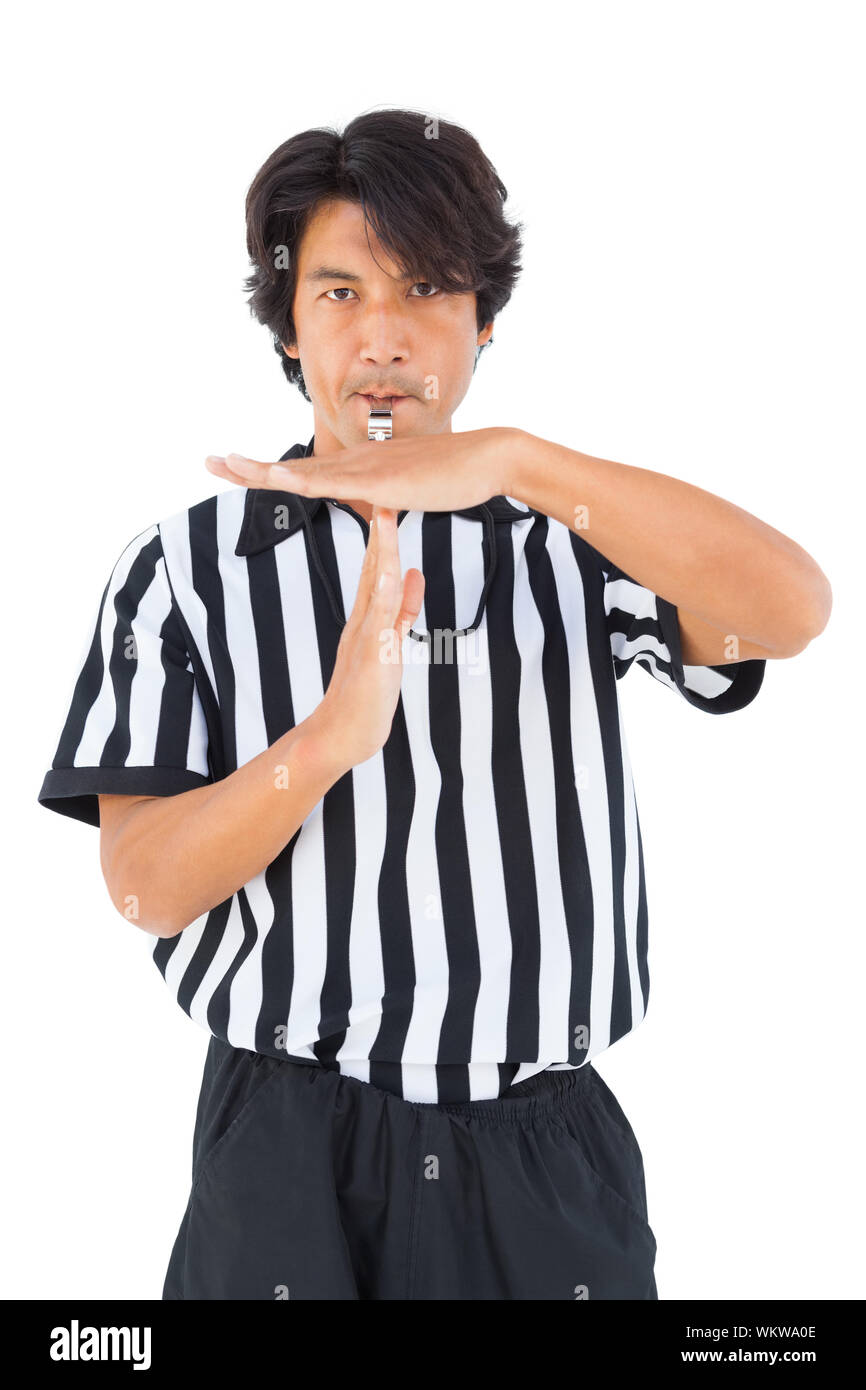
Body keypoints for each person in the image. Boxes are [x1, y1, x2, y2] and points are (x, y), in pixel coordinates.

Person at [37, 108, 832, 1300]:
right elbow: (142, 885)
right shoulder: (185, 570)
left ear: (483, 319)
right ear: (288, 324)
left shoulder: (575, 544)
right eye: (339, 292)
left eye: (426, 289)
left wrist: (514, 462)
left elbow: (792, 609)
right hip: (285, 1148)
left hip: (541, 1153)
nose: (384, 337)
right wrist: (324, 743)